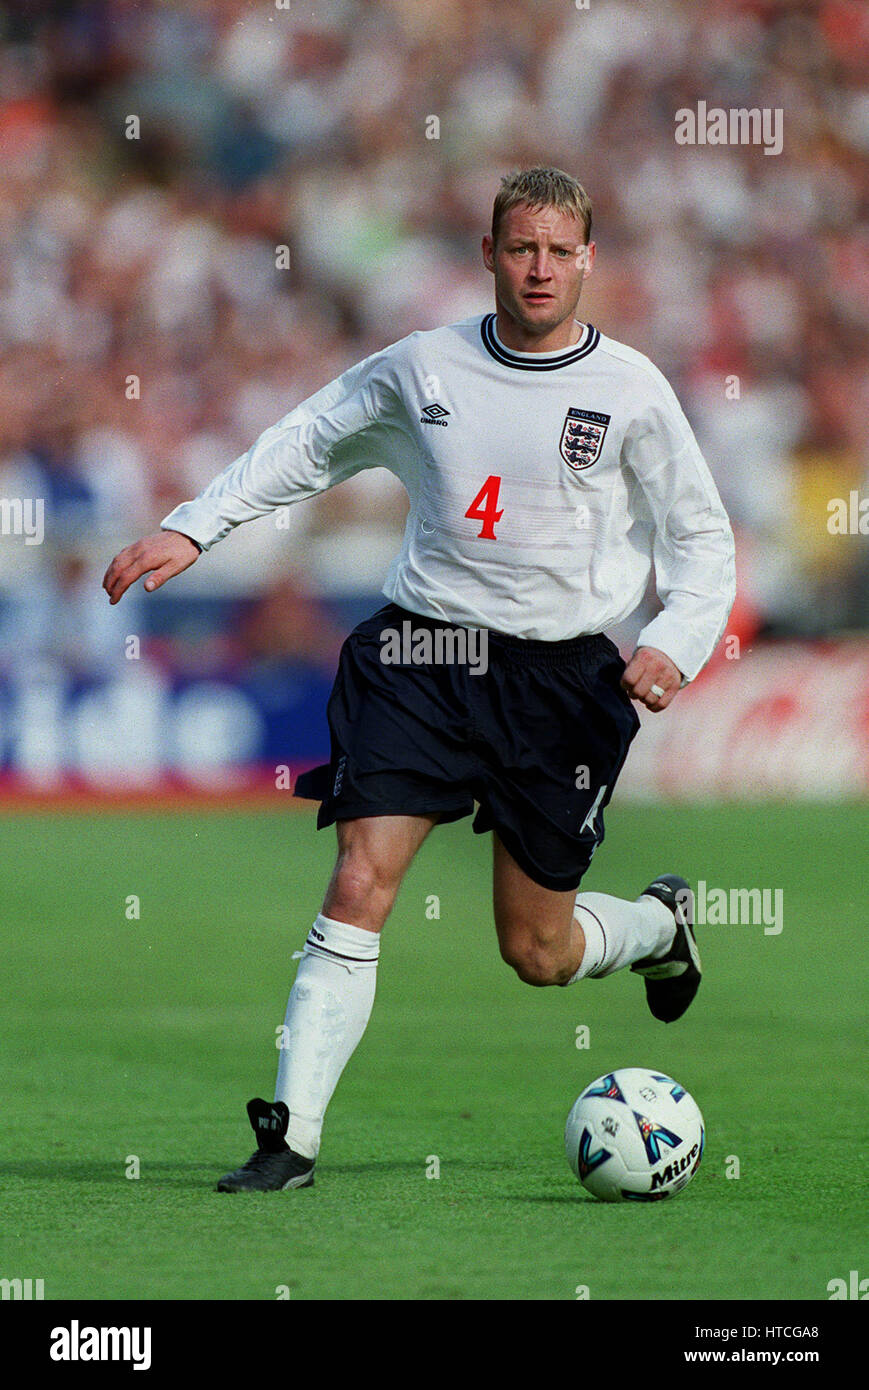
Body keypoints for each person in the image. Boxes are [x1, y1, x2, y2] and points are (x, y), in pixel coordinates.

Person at [103, 166, 736, 1193]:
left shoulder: (629, 390)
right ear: (488, 256)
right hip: (421, 658)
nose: (538, 269)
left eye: (558, 252)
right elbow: (307, 440)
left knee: (534, 951)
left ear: (587, 261)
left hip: (563, 682)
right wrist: (192, 524)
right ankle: (290, 1136)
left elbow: (702, 544)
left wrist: (673, 640)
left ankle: (660, 928)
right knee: (359, 878)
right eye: (519, 249)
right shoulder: (421, 367)